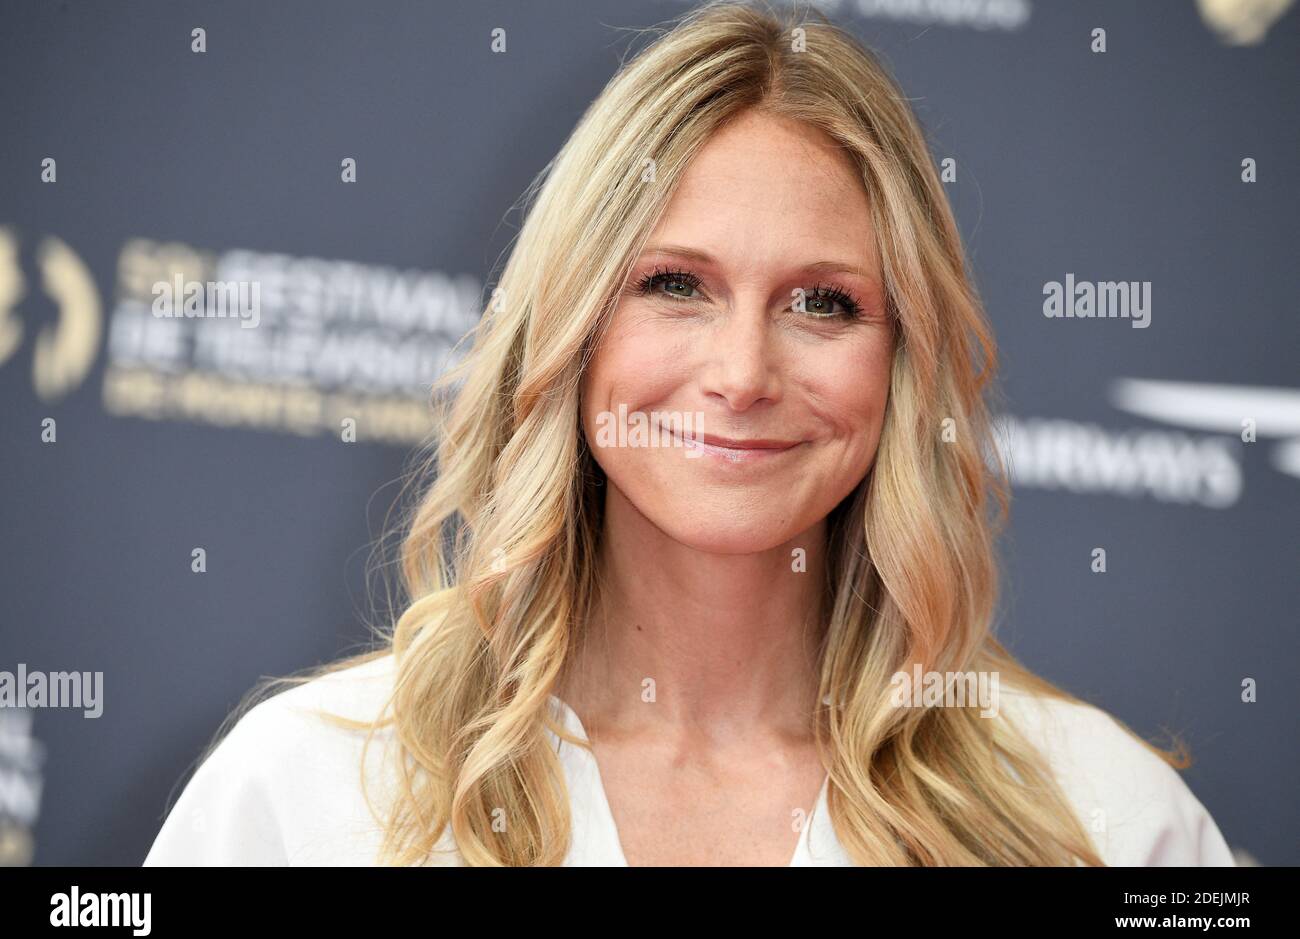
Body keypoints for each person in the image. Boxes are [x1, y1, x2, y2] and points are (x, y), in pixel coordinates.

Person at [144, 0, 1235, 867]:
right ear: (569, 324)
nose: (742, 374)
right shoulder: (302, 796)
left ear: (903, 361)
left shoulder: (1104, 822)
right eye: (674, 284)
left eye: (823, 303)